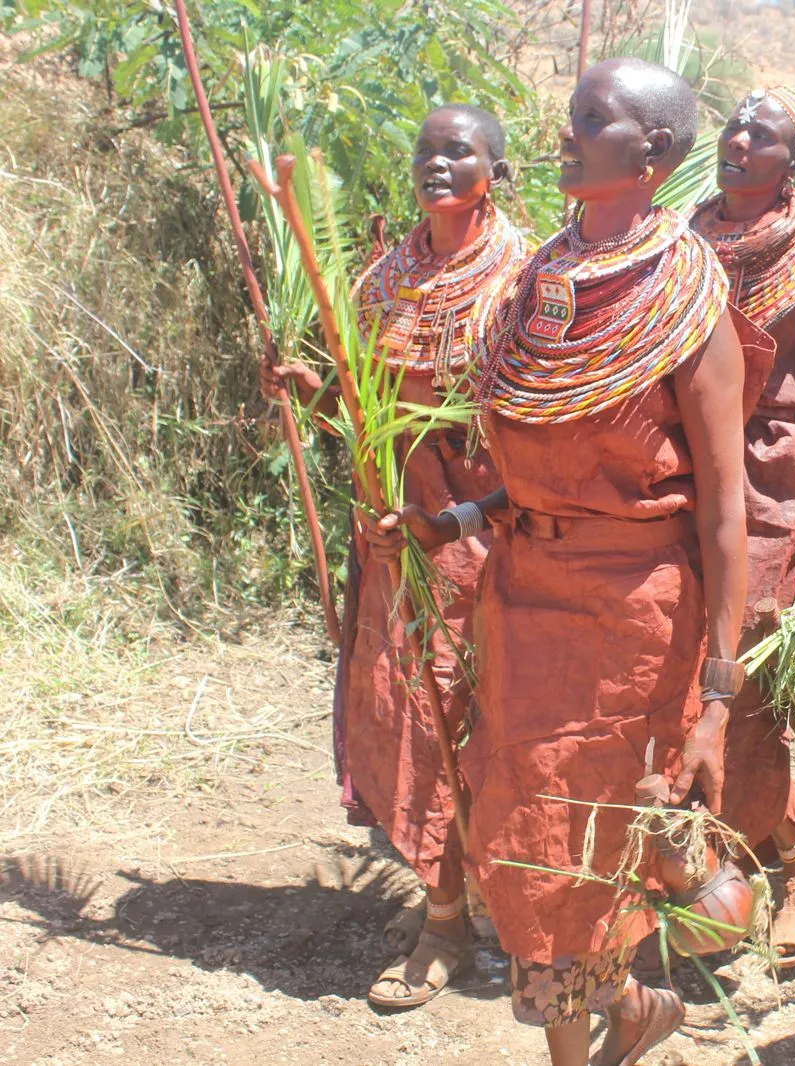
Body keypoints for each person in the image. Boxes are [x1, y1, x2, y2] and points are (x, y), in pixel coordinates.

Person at [368, 58, 748, 1066]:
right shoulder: (537, 279)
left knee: (587, 850)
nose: (565, 130)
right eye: (572, 114)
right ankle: (617, 1018)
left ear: (652, 153)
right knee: (526, 841)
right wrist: (454, 521)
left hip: (634, 625)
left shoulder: (687, 292)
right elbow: (535, 466)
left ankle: (586, 1039)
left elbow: (723, 507)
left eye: (591, 118)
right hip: (521, 602)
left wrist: (716, 699)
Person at [262, 103, 525, 1009]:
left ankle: (464, 914)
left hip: (478, 538)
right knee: (405, 712)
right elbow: (364, 393)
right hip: (390, 535)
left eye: (459, 151)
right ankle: (444, 904)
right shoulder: (389, 273)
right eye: (425, 151)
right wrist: (317, 388)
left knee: (464, 721)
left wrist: (452, 519)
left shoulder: (525, 278)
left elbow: (533, 436)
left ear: (497, 167)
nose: (437, 165)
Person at [688, 85, 795, 970]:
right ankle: (707, 860)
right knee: (684, 677)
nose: (740, 140)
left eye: (765, 135)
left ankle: (794, 862)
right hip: (682, 481)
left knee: (746, 691)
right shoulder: (678, 239)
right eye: (734, 126)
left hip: (770, 487)